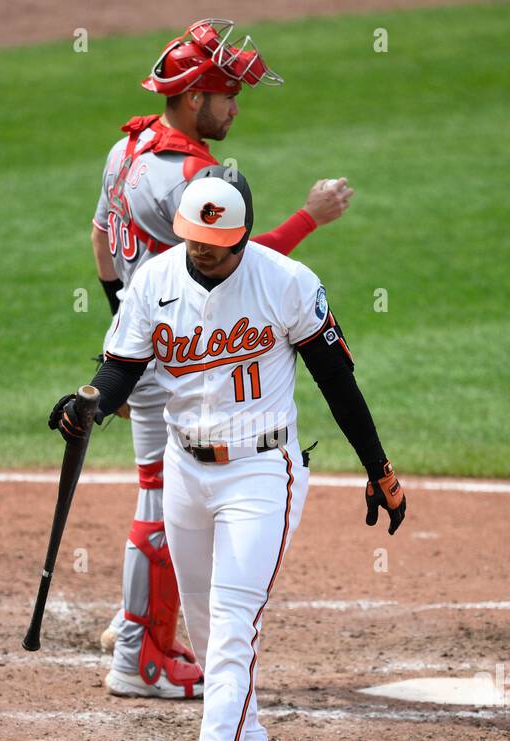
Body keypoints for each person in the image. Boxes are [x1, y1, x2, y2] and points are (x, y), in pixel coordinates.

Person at [50, 167, 406, 741]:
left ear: (240, 236)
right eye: (193, 241)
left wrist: (377, 467)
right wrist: (91, 403)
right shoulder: (155, 281)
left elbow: (337, 380)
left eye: (214, 243)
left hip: (262, 471)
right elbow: (122, 367)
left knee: (235, 615)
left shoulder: (287, 283)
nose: (201, 252)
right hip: (185, 470)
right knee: (210, 627)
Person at [89, 17, 354, 700]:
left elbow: (100, 238)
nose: (235, 106)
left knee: (161, 490)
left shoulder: (129, 146)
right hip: (177, 359)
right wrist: (309, 217)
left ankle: (140, 618)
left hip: (148, 345)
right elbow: (238, 259)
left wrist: (127, 326)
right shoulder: (193, 173)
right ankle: (141, 656)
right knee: (160, 496)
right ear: (193, 97)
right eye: (226, 93)